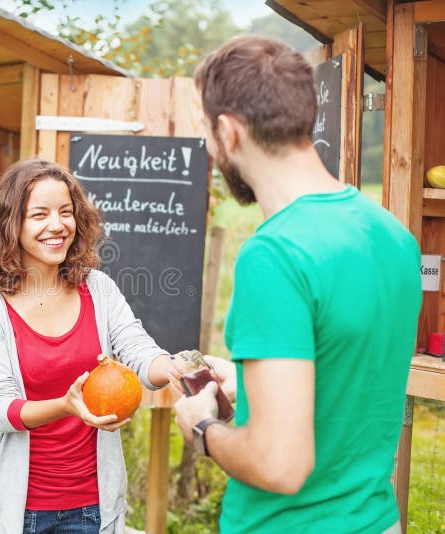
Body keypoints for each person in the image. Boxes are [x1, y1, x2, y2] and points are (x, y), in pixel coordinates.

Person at [170, 35, 421, 533]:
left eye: (207, 132)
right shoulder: (393, 236)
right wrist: (254, 390)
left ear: (229, 131)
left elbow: (279, 464)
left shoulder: (274, 254)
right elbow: (348, 380)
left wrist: (202, 428)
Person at [0, 158, 175, 534]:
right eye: (39, 214)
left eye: (66, 212)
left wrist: (176, 367)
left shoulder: (98, 289)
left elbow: (138, 349)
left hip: (92, 507)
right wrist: (66, 406)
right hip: (19, 509)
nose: (57, 225)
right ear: (11, 224)